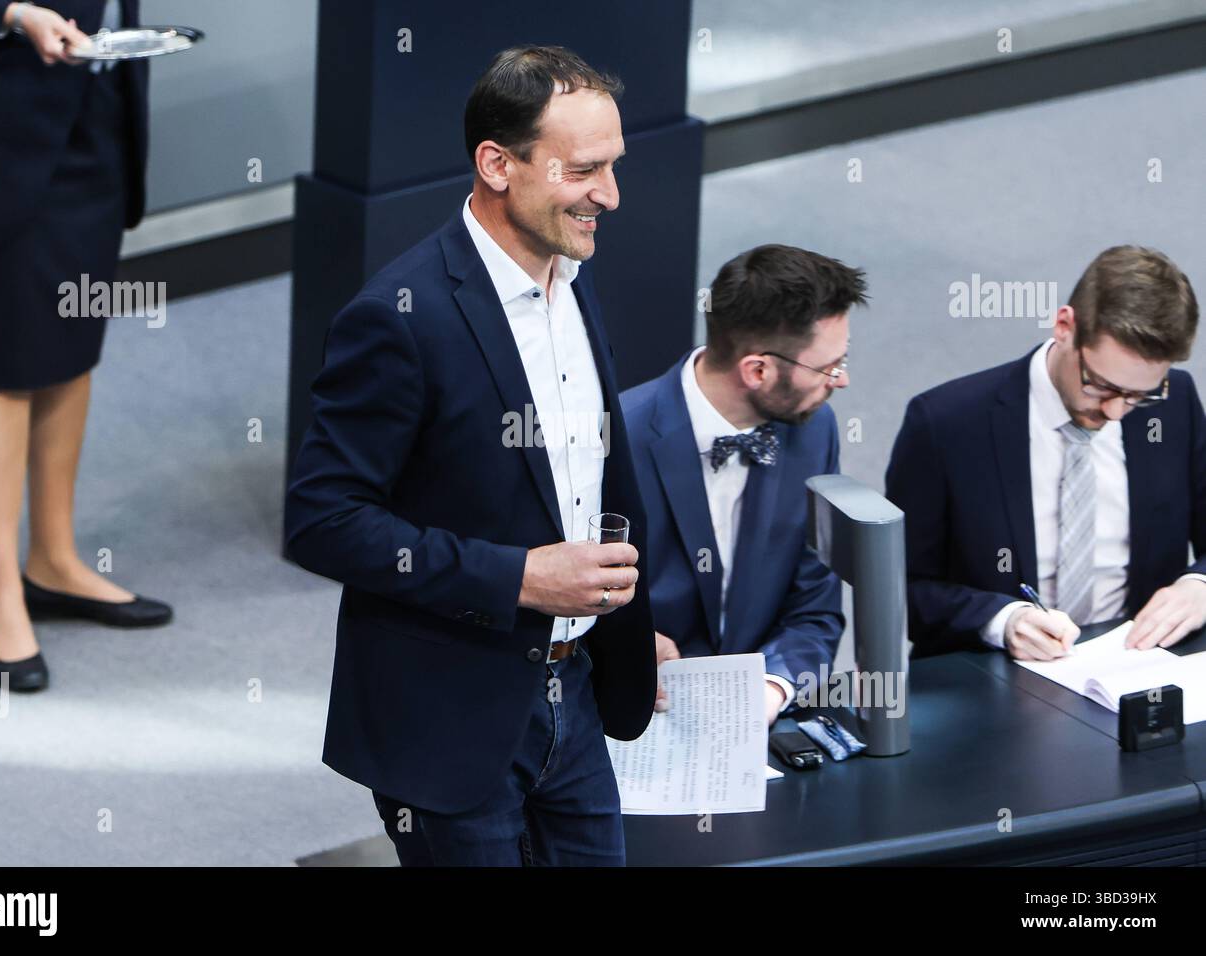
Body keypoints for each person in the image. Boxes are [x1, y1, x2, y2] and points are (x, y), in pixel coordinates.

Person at [284, 46, 655, 867]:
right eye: (584, 170)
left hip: (577, 690)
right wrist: (520, 578)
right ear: (497, 164)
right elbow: (322, 520)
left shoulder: (573, 273)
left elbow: (584, 479)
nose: (611, 196)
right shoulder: (398, 318)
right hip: (450, 722)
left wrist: (626, 627)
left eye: (615, 166)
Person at [0, 1, 172, 692]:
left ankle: (53, 560)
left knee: (69, 343)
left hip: (99, 93)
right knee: (3, 358)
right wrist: (13, 11)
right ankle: (2, 592)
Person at [886, 245, 1206, 659]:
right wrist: (1001, 621)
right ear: (1064, 325)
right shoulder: (945, 424)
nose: (1114, 411)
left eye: (1138, 396)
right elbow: (897, 590)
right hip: (996, 677)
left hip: (1138, 670)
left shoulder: (1174, 402)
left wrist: (1199, 586)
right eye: (1101, 385)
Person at [622, 244, 864, 721]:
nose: (842, 380)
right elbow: (560, 606)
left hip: (765, 717)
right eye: (828, 367)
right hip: (638, 719)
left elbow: (816, 607)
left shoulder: (814, 429)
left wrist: (773, 689)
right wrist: (621, 645)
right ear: (757, 370)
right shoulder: (617, 440)